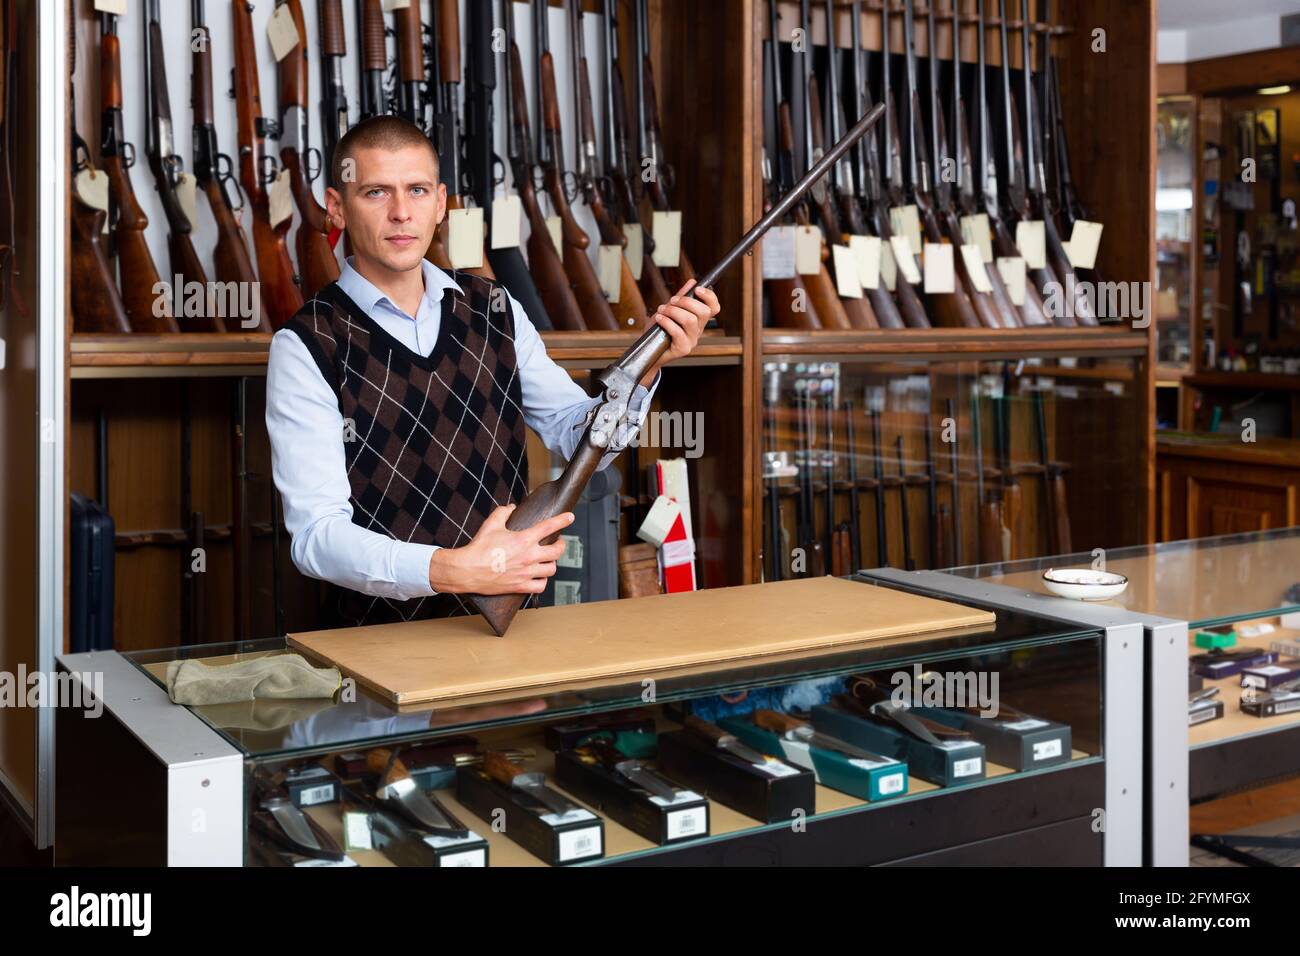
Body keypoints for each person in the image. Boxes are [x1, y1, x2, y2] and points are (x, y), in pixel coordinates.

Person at [266, 116, 719, 627]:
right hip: (375, 645)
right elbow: (316, 539)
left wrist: (646, 368)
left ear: (440, 204)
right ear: (336, 208)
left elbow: (580, 438)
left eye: (416, 190)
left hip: (509, 627)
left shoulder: (495, 309)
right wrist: (452, 571)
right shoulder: (306, 344)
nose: (400, 213)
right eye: (375, 192)